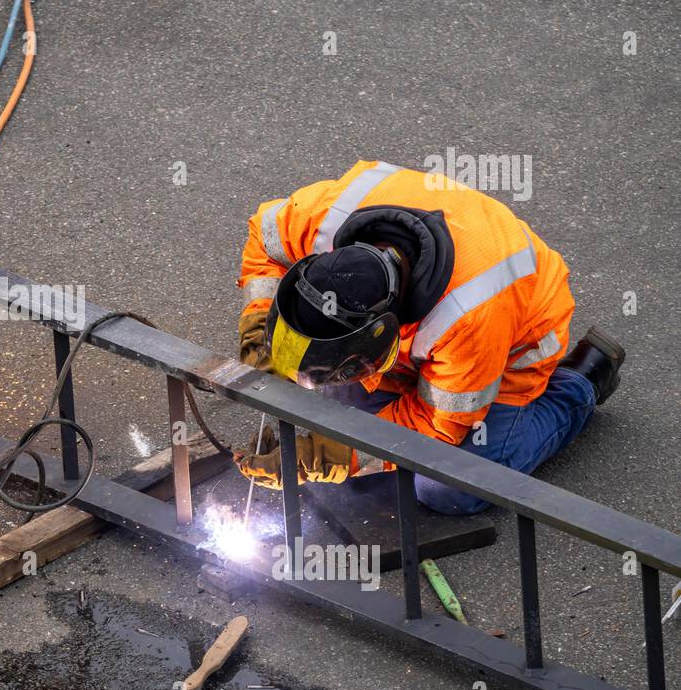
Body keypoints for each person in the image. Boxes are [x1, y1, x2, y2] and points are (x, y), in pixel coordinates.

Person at [233, 159, 624, 514]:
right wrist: (258, 331)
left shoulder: (470, 316)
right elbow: (265, 240)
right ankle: (388, 389)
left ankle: (577, 387)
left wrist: (328, 458)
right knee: (344, 420)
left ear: (383, 333)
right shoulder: (323, 220)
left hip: (507, 355)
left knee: (445, 488)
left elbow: (438, 426)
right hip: (429, 345)